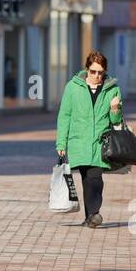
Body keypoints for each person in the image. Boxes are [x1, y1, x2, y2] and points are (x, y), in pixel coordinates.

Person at [54, 51, 123, 228]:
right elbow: (65, 116)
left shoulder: (112, 88)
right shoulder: (73, 87)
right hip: (79, 142)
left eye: (100, 72)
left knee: (95, 178)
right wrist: (61, 143)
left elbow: (116, 121)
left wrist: (115, 109)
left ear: (105, 71)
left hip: (100, 143)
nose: (97, 76)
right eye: (93, 71)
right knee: (86, 178)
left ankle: (94, 213)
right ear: (87, 69)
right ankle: (90, 216)